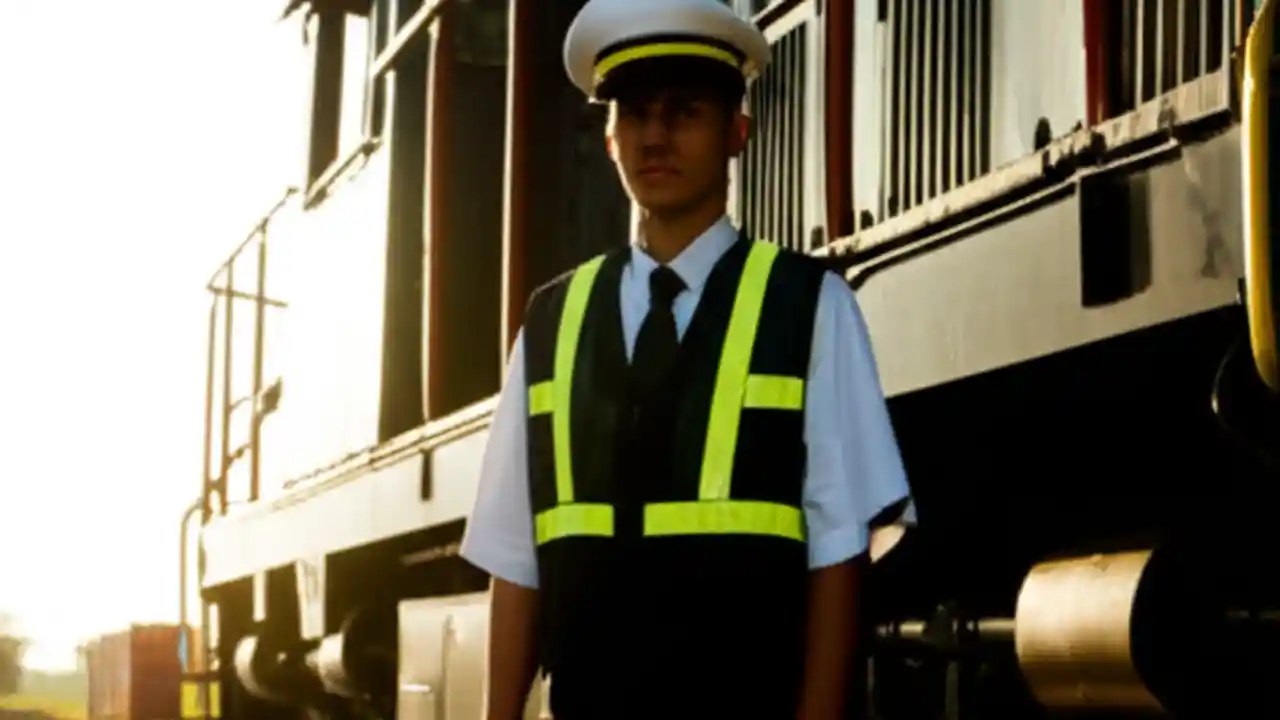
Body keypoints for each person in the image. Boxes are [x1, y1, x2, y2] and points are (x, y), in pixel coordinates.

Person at [460, 0, 915, 717]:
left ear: (738, 130)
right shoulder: (550, 322)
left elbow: (839, 554)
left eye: (685, 111)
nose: (656, 135)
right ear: (609, 140)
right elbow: (517, 559)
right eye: (634, 113)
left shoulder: (810, 306)